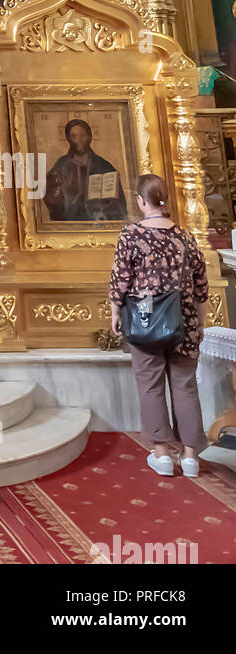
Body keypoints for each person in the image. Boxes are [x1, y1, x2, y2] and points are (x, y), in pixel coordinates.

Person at [109, 173, 209, 478]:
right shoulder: (186, 237)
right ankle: (191, 457)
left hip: (145, 321)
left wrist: (115, 312)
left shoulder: (131, 235)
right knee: (185, 386)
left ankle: (163, 455)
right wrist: (200, 322)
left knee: (150, 386)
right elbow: (201, 285)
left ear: (141, 201)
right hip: (185, 320)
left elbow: (120, 280)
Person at [43, 118, 127, 221]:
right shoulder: (61, 165)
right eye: (74, 136)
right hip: (70, 222)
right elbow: (51, 196)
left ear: (89, 137)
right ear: (68, 138)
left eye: (82, 135)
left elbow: (118, 202)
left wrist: (102, 204)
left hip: (98, 221)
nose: (79, 140)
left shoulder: (103, 166)